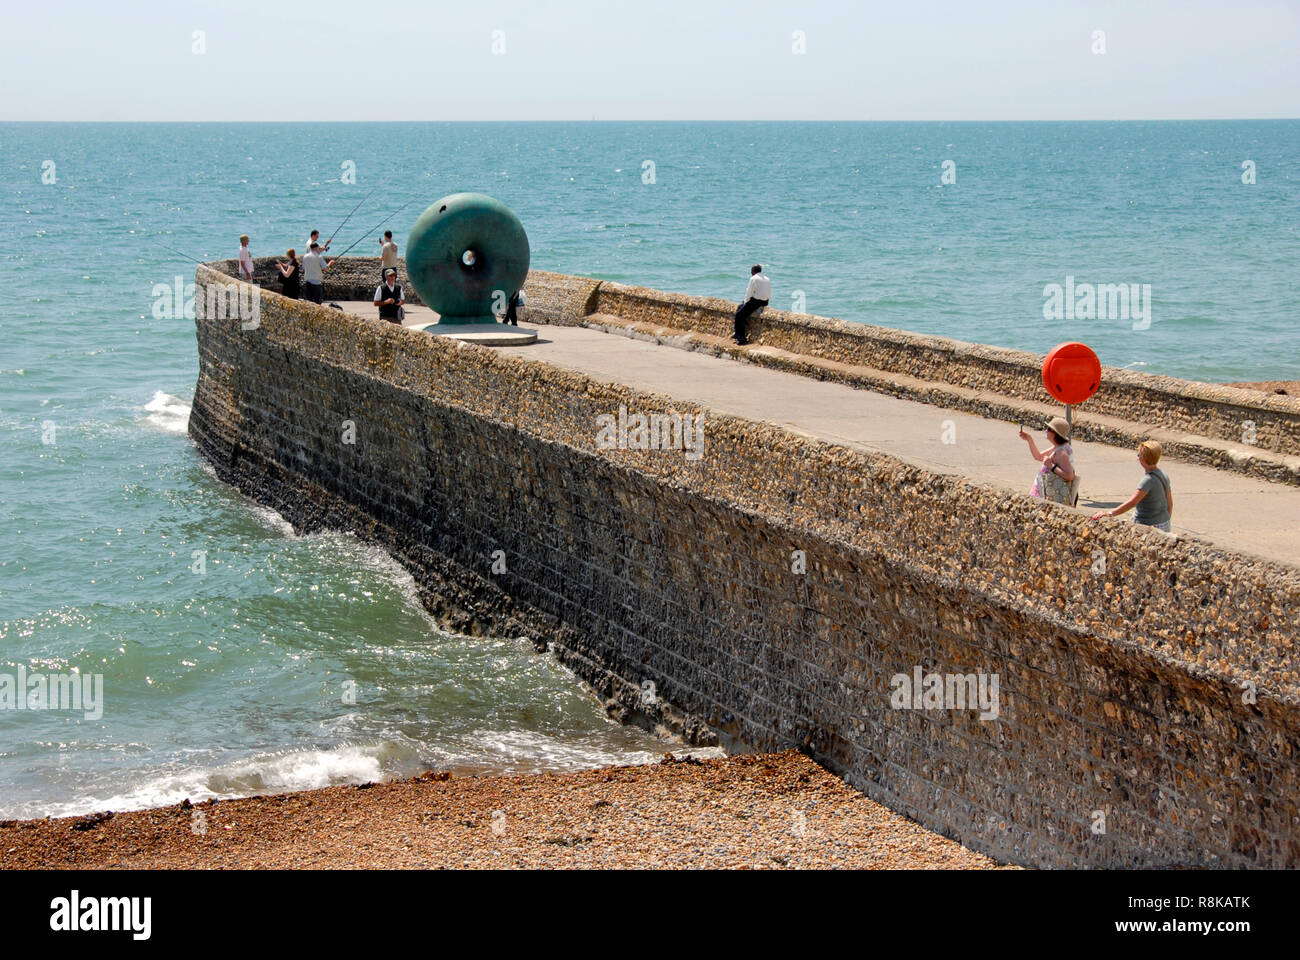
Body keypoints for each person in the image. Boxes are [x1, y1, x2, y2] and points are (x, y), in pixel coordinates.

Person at [1092, 440, 1173, 532]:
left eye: (1139, 455)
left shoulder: (1148, 480)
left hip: (1148, 524)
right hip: (1164, 523)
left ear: (1143, 458)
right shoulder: (1163, 475)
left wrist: (1110, 513)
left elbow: (1132, 502)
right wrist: (1165, 519)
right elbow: (1169, 504)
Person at [1019, 416, 1079, 505]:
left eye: (1049, 429)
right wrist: (1029, 439)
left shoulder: (1061, 452)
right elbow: (1038, 456)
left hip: (1053, 496)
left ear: (1056, 433)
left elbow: (1070, 476)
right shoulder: (1058, 447)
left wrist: (1051, 466)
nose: (1046, 431)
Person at [733, 264, 770, 345]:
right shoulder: (767, 278)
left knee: (739, 315)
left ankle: (741, 338)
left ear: (753, 271)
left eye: (751, 271)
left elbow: (749, 292)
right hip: (765, 301)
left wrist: (745, 302)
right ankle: (737, 332)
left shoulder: (753, 278)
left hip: (756, 301)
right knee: (740, 307)